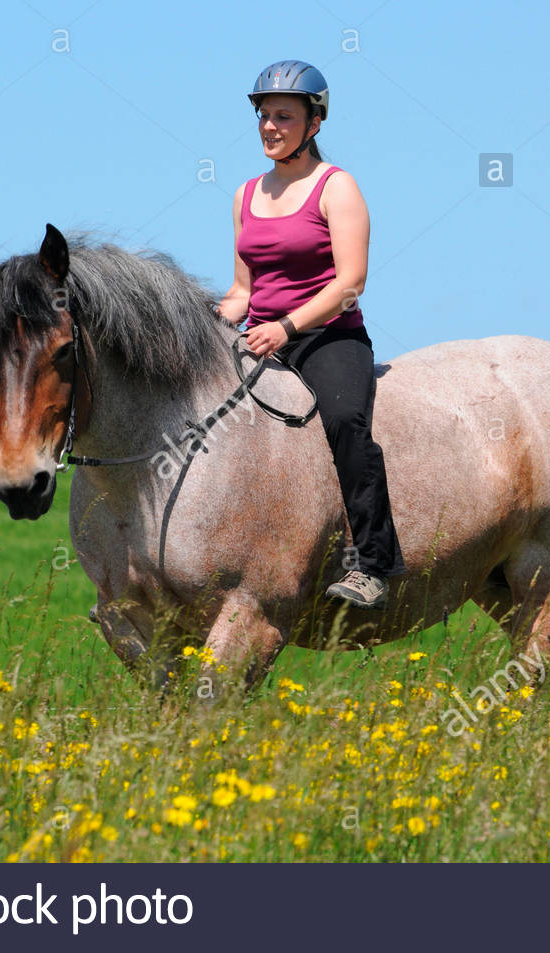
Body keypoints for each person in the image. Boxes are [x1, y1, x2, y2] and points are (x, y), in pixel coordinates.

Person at [215, 59, 406, 609]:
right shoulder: (245, 195)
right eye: (264, 116)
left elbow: (352, 283)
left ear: (314, 123)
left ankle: (373, 564)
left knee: (346, 420)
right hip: (260, 337)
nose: (270, 127)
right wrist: (208, 318)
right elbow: (242, 290)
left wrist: (288, 326)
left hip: (328, 338)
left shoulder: (335, 187)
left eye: (284, 116)